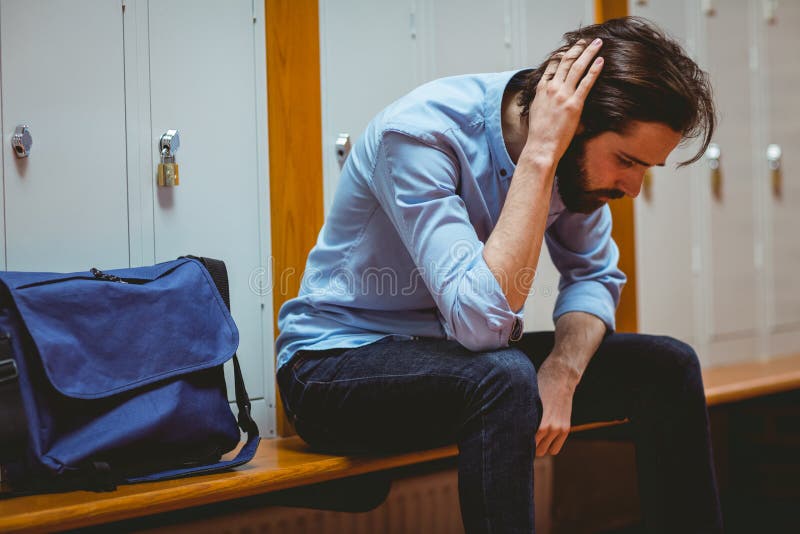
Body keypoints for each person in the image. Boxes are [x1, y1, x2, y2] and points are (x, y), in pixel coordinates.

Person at [275, 16, 722, 534]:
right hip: (334, 366)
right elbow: (481, 326)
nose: (633, 188)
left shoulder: (582, 173)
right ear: (573, 122)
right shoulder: (423, 135)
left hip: (455, 362)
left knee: (668, 367)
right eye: (626, 161)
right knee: (504, 376)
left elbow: (595, 276)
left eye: (646, 168)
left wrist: (562, 370)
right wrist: (540, 155)